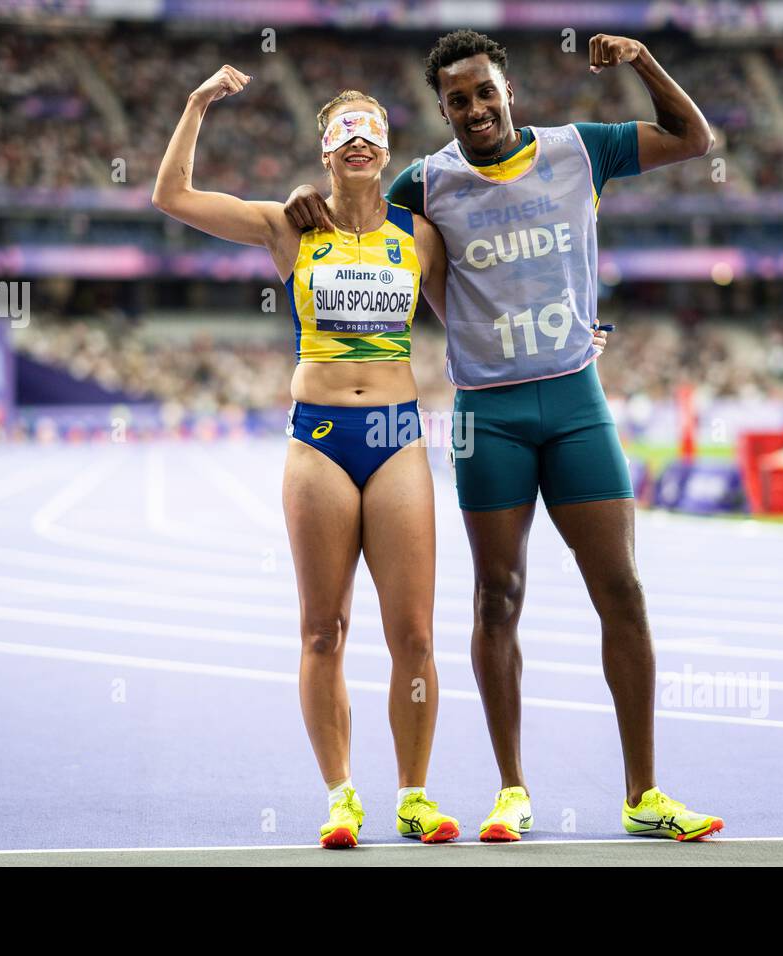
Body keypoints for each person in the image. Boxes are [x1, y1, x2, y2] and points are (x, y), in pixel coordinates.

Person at [285, 31, 725, 841]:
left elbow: (696, 139)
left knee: (620, 590)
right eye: (457, 100)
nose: (475, 109)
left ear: (507, 88)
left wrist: (641, 63)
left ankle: (644, 794)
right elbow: (352, 211)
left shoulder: (579, 150)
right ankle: (512, 791)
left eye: (485, 91)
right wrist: (301, 199)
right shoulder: (425, 182)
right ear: (443, 109)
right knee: (497, 599)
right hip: (488, 412)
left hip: (574, 402)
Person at [152, 68, 461, 847]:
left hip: (395, 436)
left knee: (415, 636)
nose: (358, 139)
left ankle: (415, 795)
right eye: (343, 130)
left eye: (371, 128)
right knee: (323, 631)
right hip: (319, 439)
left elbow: (475, 316)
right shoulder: (290, 226)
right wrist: (196, 105)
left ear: (388, 149)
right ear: (326, 151)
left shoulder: (419, 235)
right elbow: (172, 198)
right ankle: (341, 795)